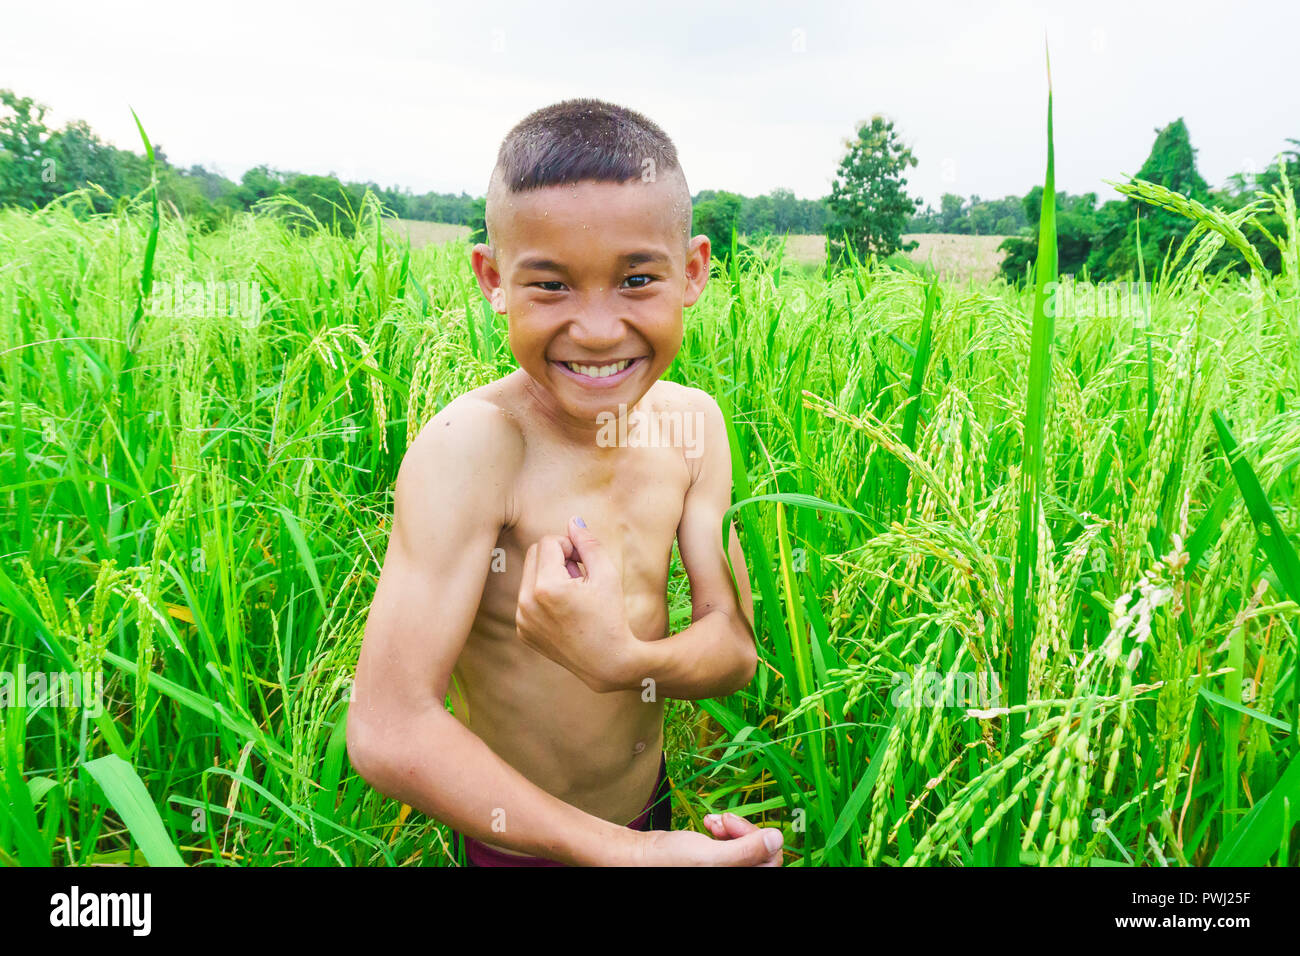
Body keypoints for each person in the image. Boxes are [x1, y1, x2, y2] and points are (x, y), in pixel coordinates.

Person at [346, 98, 783, 866]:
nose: (597, 329)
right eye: (550, 286)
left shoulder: (694, 425)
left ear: (693, 272)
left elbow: (734, 648)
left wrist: (623, 660)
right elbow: (387, 726)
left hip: (649, 814)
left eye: (637, 279)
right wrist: (620, 854)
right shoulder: (475, 448)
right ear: (492, 279)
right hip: (520, 842)